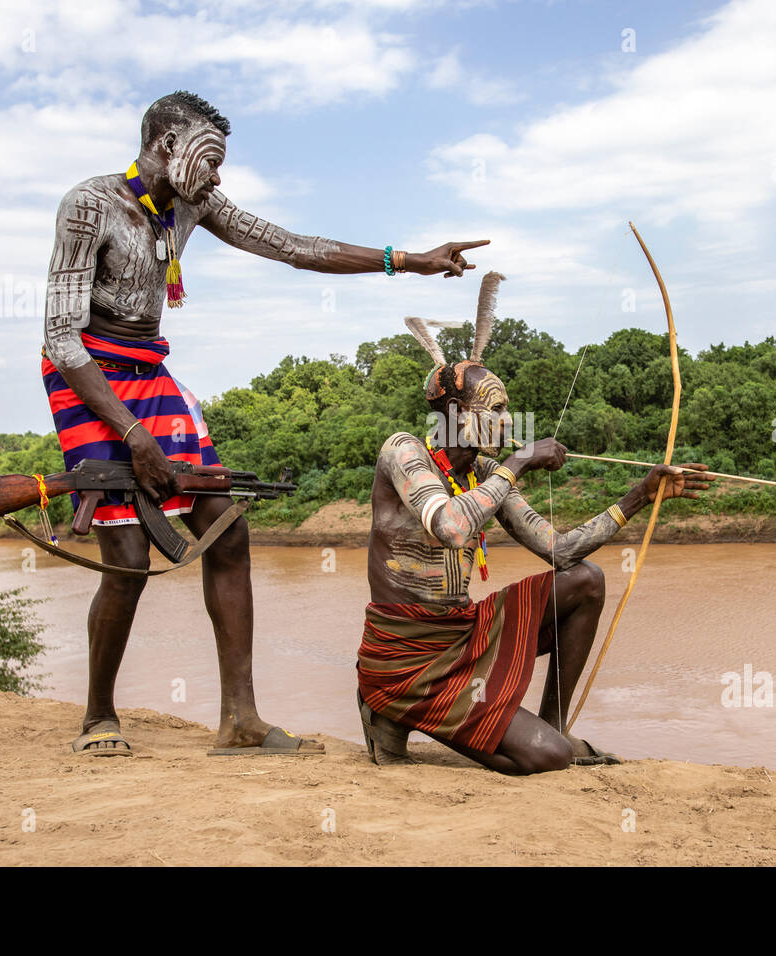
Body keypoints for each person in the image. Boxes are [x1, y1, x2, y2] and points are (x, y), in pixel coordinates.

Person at [42, 90, 489, 756]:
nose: (217, 177)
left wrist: (410, 261)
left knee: (225, 529)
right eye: (210, 159)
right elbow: (60, 337)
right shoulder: (89, 204)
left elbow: (293, 247)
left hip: (152, 375)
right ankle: (98, 716)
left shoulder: (190, 204)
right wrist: (133, 438)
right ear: (166, 144)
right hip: (89, 378)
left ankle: (239, 720)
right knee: (128, 555)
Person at [357, 272, 711, 773]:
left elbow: (560, 551)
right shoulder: (404, 451)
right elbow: (453, 526)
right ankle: (391, 707)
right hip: (406, 658)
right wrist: (518, 463)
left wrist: (641, 494)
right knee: (547, 759)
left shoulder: (482, 473)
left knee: (585, 581)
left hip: (460, 638)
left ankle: (554, 726)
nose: (507, 421)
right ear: (458, 413)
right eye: (496, 411)